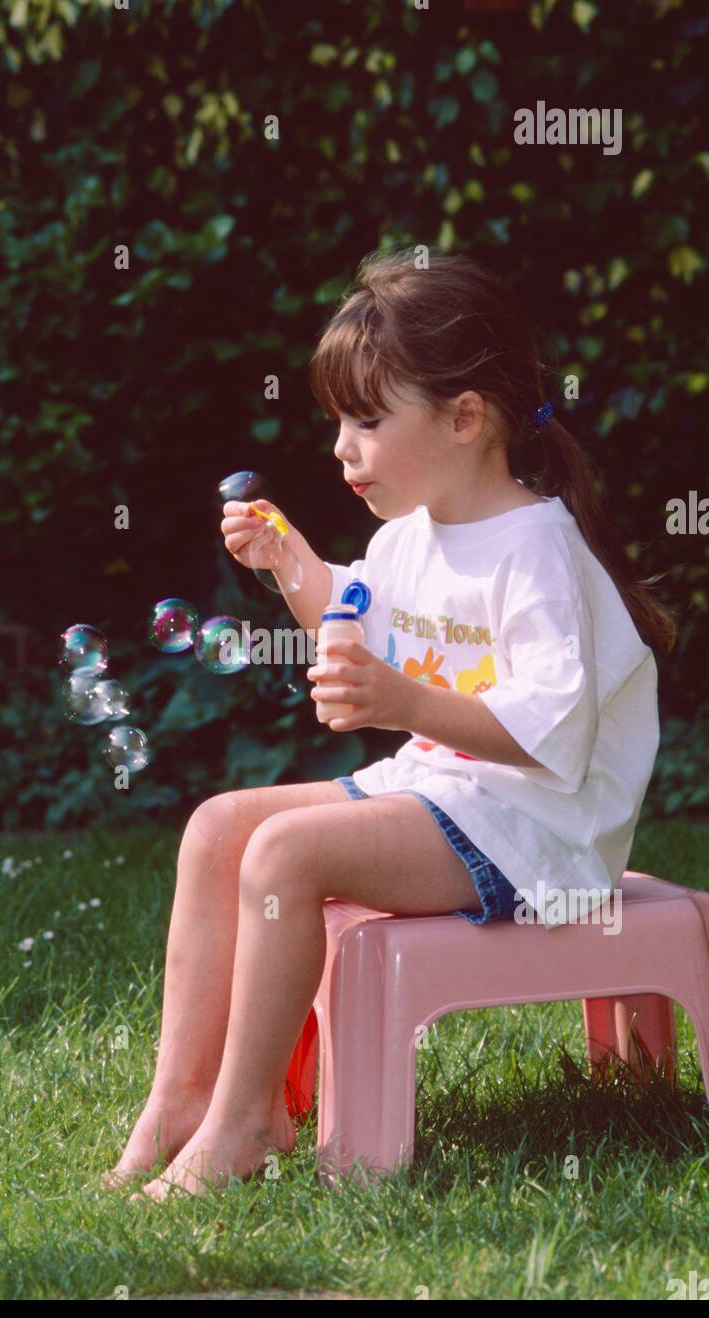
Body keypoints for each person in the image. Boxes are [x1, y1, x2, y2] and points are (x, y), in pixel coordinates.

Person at [102, 247, 677, 1201]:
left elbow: (552, 736)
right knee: (216, 831)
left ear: (464, 418)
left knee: (285, 855)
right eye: (339, 421)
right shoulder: (407, 533)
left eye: (367, 421)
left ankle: (248, 1124)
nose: (342, 448)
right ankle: (183, 1097)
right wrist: (288, 562)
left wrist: (405, 703)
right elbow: (345, 610)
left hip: (543, 831)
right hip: (450, 793)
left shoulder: (537, 548)